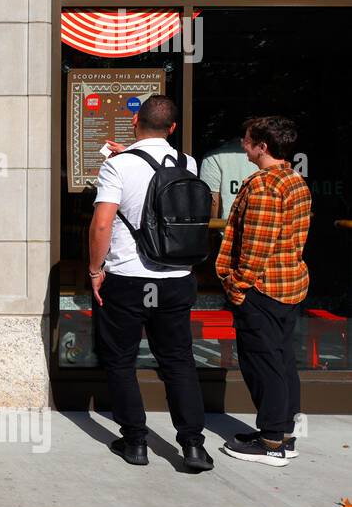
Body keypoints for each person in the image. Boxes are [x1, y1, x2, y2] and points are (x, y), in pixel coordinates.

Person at [89, 95, 212, 472]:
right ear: (173, 128)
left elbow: (102, 223)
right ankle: (192, 445)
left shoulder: (118, 166)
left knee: (121, 360)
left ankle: (136, 441)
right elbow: (157, 175)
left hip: (127, 278)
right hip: (176, 278)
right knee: (178, 361)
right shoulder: (187, 163)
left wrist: (96, 270)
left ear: (135, 121)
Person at [216, 116, 312, 467]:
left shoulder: (264, 186)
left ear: (262, 147)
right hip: (288, 284)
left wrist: (237, 286)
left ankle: (271, 442)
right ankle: (283, 435)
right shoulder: (294, 179)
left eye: (246, 140)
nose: (243, 145)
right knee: (282, 360)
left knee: (264, 365)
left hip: (263, 288)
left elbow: (256, 248)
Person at [200, 138, 256, 220]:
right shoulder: (263, 155)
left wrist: (214, 228)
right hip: (258, 226)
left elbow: (213, 202)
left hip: (226, 227)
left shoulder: (213, 157)